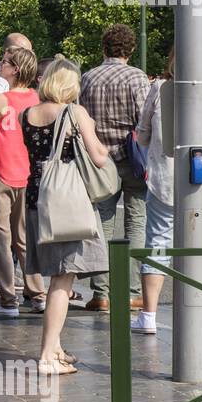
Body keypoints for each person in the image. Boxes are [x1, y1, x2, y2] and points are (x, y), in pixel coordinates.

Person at [132, 50, 202, 335]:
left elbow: (142, 134)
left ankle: (149, 316)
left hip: (166, 179)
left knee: (158, 244)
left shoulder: (159, 88)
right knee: (198, 247)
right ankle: (195, 316)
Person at [21, 58, 111, 374]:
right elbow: (98, 157)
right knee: (63, 278)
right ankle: (47, 355)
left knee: (58, 274)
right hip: (67, 203)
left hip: (36, 200)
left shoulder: (27, 114)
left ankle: (56, 347)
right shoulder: (75, 113)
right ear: (70, 84)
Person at [78, 24, 150, 313]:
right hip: (132, 160)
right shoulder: (137, 78)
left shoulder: (88, 79)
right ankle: (132, 292)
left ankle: (102, 294)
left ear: (103, 48)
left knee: (101, 226)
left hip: (99, 161)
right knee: (136, 223)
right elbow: (145, 120)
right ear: (130, 50)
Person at [0, 46, 45, 317]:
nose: (0, 65)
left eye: (4, 62)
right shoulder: (36, 98)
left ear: (15, 69)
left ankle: (9, 299)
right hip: (26, 173)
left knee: (1, 236)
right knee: (23, 237)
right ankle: (38, 293)